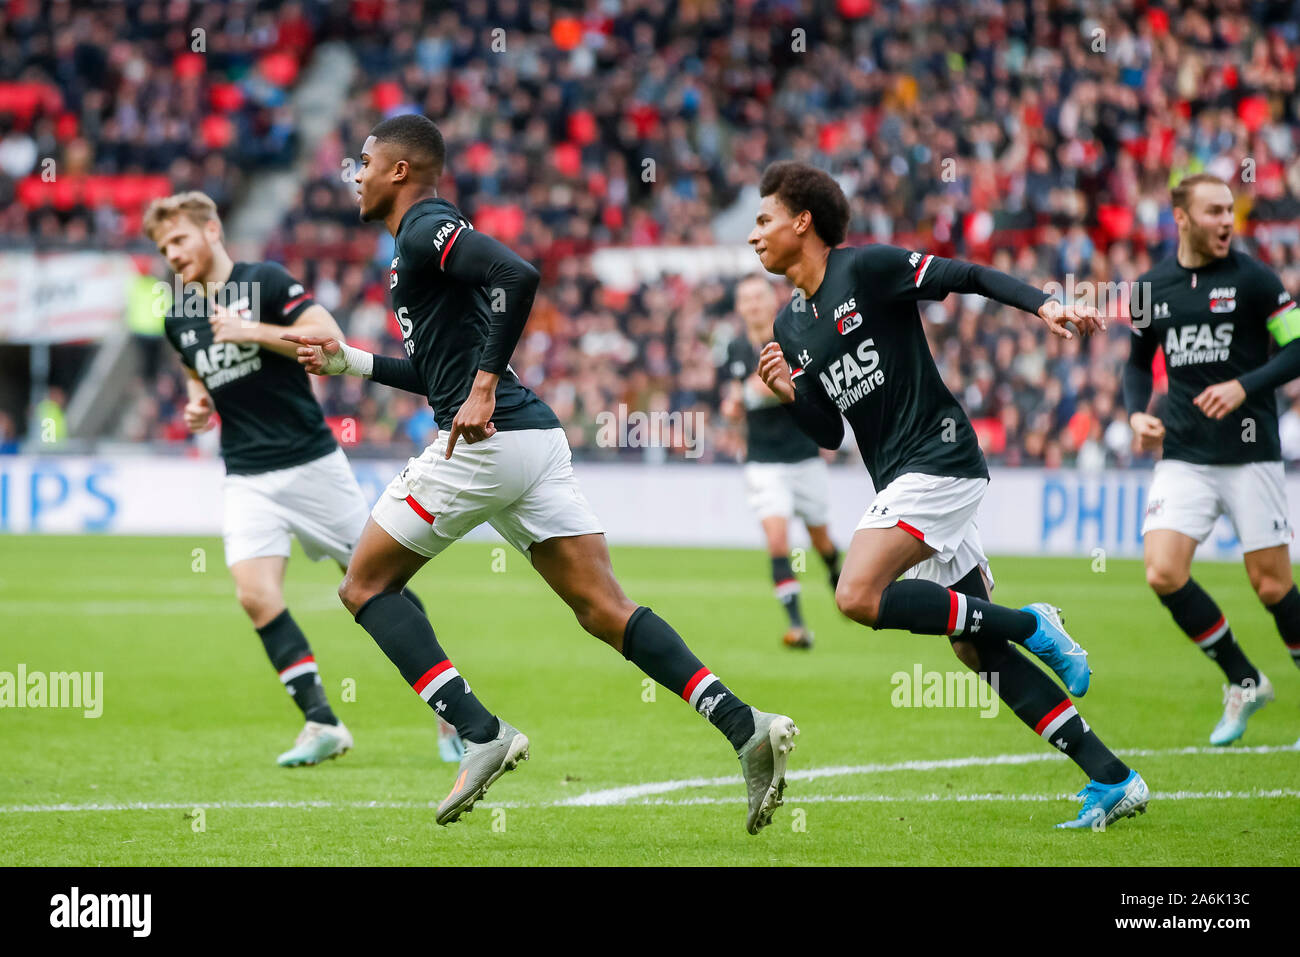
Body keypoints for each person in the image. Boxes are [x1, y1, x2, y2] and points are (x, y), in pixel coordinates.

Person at [285, 114, 797, 833]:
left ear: (399, 170)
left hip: (486, 444)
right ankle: (745, 726)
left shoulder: (425, 226)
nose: (356, 174)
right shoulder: (414, 246)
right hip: (532, 441)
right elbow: (438, 373)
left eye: (364, 162)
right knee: (604, 609)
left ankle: (480, 731)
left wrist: (483, 386)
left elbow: (517, 274)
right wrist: (353, 363)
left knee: (364, 584)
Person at [751, 160, 1148, 830]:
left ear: (802, 221)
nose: (754, 235)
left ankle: (1033, 624)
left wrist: (1044, 304)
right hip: (901, 477)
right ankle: (1113, 777)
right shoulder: (791, 326)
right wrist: (791, 395)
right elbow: (829, 431)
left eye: (764, 220)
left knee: (855, 595)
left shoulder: (866, 269)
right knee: (974, 647)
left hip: (939, 458)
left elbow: (965, 274)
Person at [144, 191, 427, 766]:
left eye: (179, 239)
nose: (171, 254)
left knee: (378, 584)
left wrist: (251, 331)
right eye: (163, 247)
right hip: (246, 474)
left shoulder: (266, 282)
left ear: (212, 229)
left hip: (311, 463)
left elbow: (327, 337)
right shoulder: (179, 316)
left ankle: (448, 713)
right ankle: (322, 721)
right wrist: (199, 402)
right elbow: (194, 366)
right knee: (254, 595)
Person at [1125, 172, 1300, 745]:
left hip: (1250, 453)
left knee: (1271, 586)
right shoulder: (1150, 288)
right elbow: (1136, 364)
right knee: (1162, 571)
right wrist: (1135, 414)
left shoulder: (1256, 280)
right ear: (1181, 218)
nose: (1227, 221)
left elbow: (1297, 346)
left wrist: (1243, 387)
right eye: (1214, 211)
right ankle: (1244, 681)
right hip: (1183, 453)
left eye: (1230, 210)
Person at [720, 274, 842, 649]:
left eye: (758, 297)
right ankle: (797, 626)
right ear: (740, 307)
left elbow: (786, 386)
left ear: (772, 300)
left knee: (821, 539)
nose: (753, 304)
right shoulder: (736, 348)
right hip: (764, 462)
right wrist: (733, 408)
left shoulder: (791, 336)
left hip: (804, 456)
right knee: (777, 539)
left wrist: (747, 394)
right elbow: (736, 399)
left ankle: (839, 579)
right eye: (747, 299)